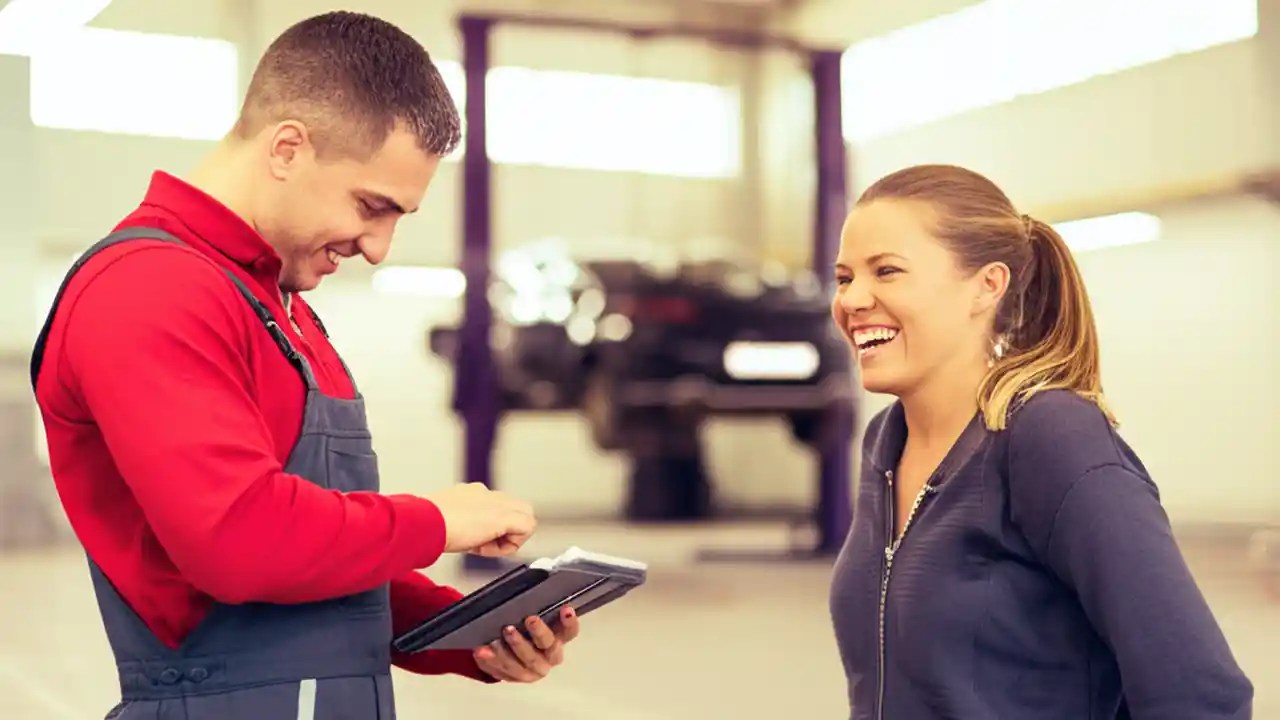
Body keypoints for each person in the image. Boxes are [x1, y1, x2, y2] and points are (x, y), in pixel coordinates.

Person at [30, 11, 581, 719]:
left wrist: (467, 635)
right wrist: (435, 522)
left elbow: (314, 558)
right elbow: (237, 540)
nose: (379, 247)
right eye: (370, 206)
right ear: (287, 148)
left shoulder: (278, 306)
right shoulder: (148, 289)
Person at [827, 164, 1253, 719]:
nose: (854, 299)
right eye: (843, 278)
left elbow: (1201, 695)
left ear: (987, 285)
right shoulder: (884, 444)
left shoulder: (1047, 437)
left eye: (886, 271)